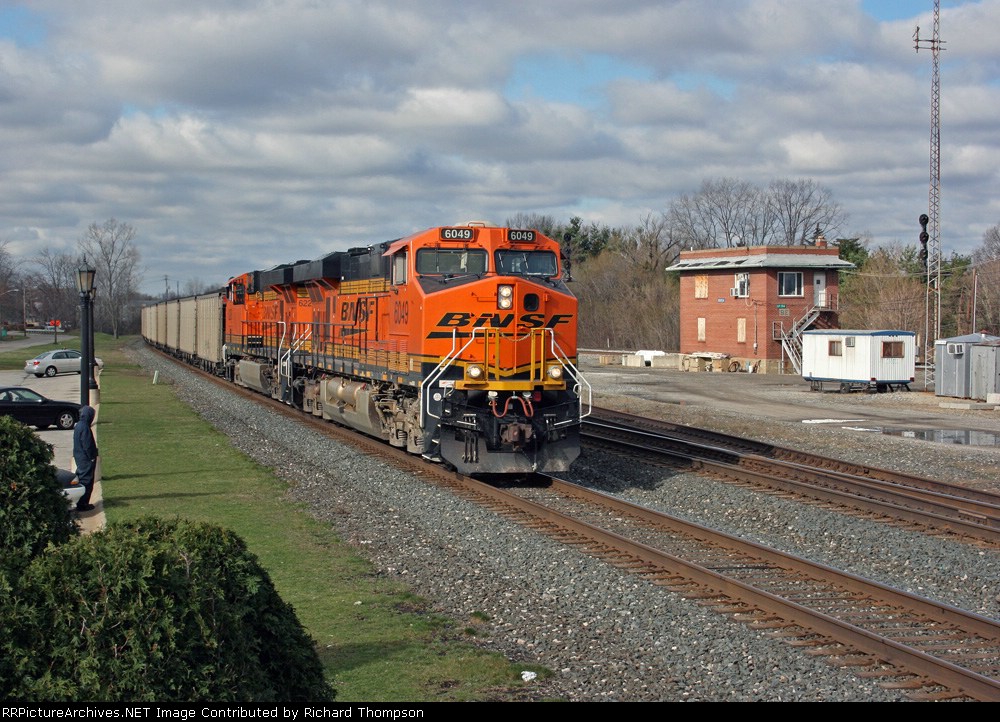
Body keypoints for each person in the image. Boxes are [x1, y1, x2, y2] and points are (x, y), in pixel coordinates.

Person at [73, 405, 99, 512]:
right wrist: (92, 457)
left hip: (79, 456)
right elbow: (88, 445)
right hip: (85, 459)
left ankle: (81, 502)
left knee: (82, 479)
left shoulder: (79, 425)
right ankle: (83, 504)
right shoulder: (84, 427)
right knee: (86, 481)